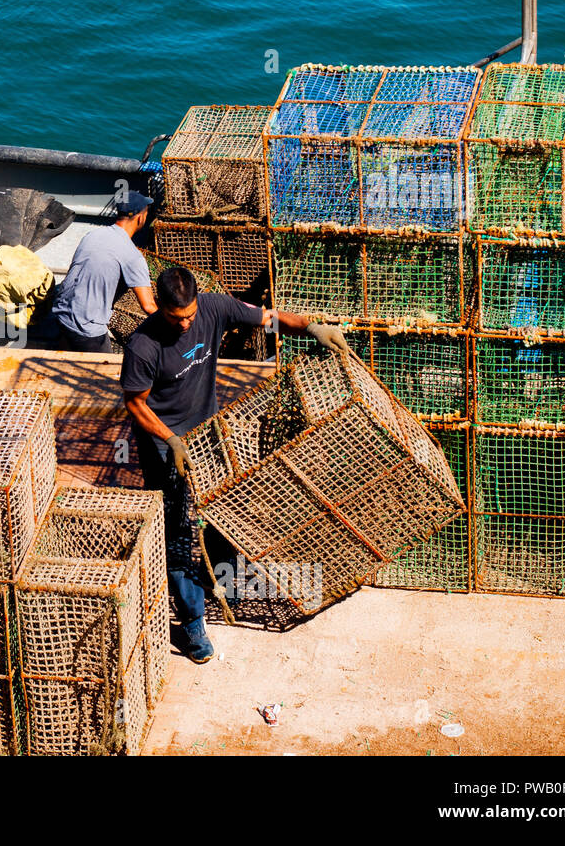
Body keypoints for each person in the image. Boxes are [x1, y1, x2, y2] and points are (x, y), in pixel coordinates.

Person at [120, 266, 349, 663]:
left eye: (191, 314)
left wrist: (312, 327)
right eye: (178, 318)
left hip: (207, 430)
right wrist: (171, 440)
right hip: (165, 443)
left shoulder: (214, 308)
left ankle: (222, 577)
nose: (187, 322)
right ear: (159, 308)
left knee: (221, 506)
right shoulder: (143, 345)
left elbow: (269, 318)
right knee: (178, 532)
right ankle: (192, 622)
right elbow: (135, 404)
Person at [51, 193, 158, 352]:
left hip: (61, 313)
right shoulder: (132, 255)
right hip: (86, 327)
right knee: (104, 372)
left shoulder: (93, 235)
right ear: (140, 218)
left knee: (63, 362)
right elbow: (148, 306)